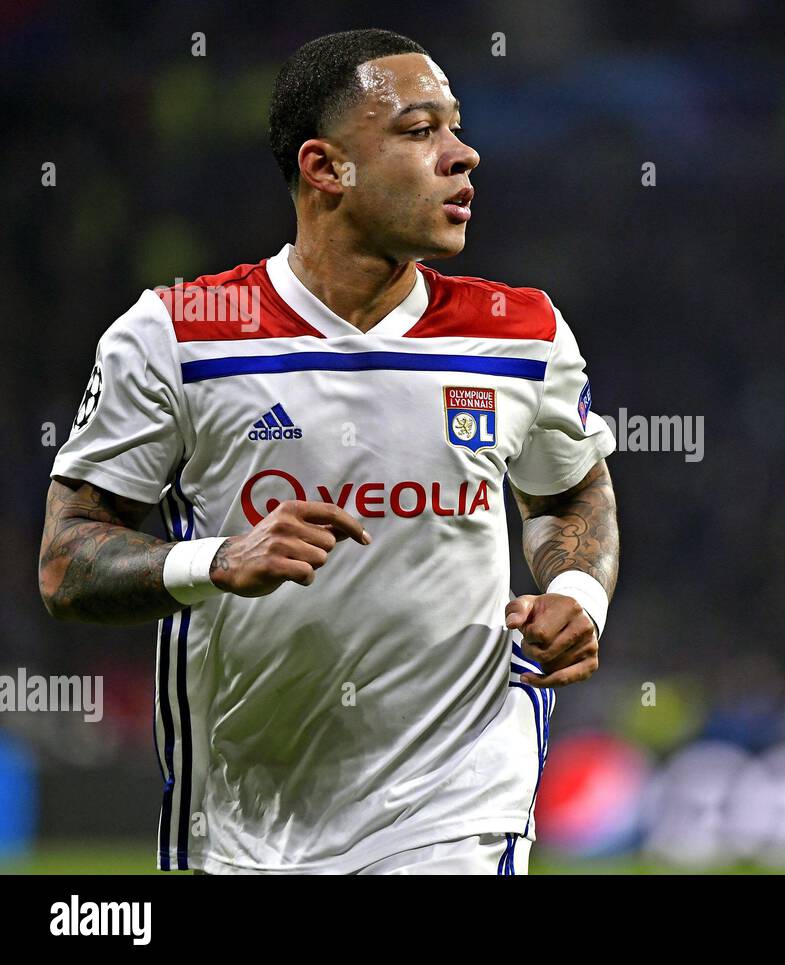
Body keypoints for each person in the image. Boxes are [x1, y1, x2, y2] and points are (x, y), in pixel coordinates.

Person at [37, 28, 619, 875]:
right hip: (240, 820)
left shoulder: (519, 332)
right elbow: (65, 564)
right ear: (325, 168)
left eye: (456, 128)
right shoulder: (176, 335)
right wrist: (215, 559)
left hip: (457, 806)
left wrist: (574, 592)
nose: (465, 155)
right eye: (421, 131)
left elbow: (570, 492)